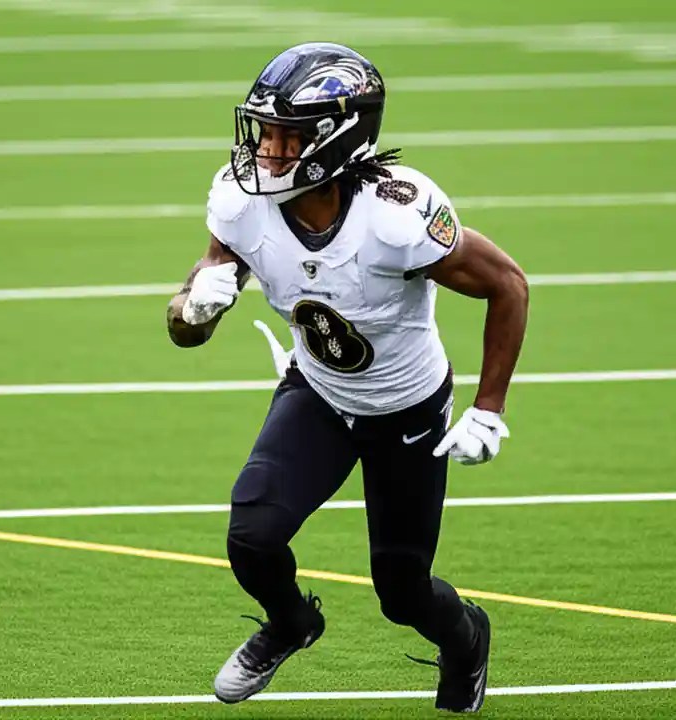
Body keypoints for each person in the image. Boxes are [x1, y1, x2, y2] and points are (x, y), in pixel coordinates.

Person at [165, 42, 529, 713]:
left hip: (408, 410)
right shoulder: (242, 202)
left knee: (401, 590)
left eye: (284, 137)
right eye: (264, 133)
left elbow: (507, 283)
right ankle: (290, 624)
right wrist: (194, 307)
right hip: (322, 393)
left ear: (335, 141)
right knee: (251, 535)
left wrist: (488, 406)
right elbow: (184, 329)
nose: (265, 152)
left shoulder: (395, 217)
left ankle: (466, 636)